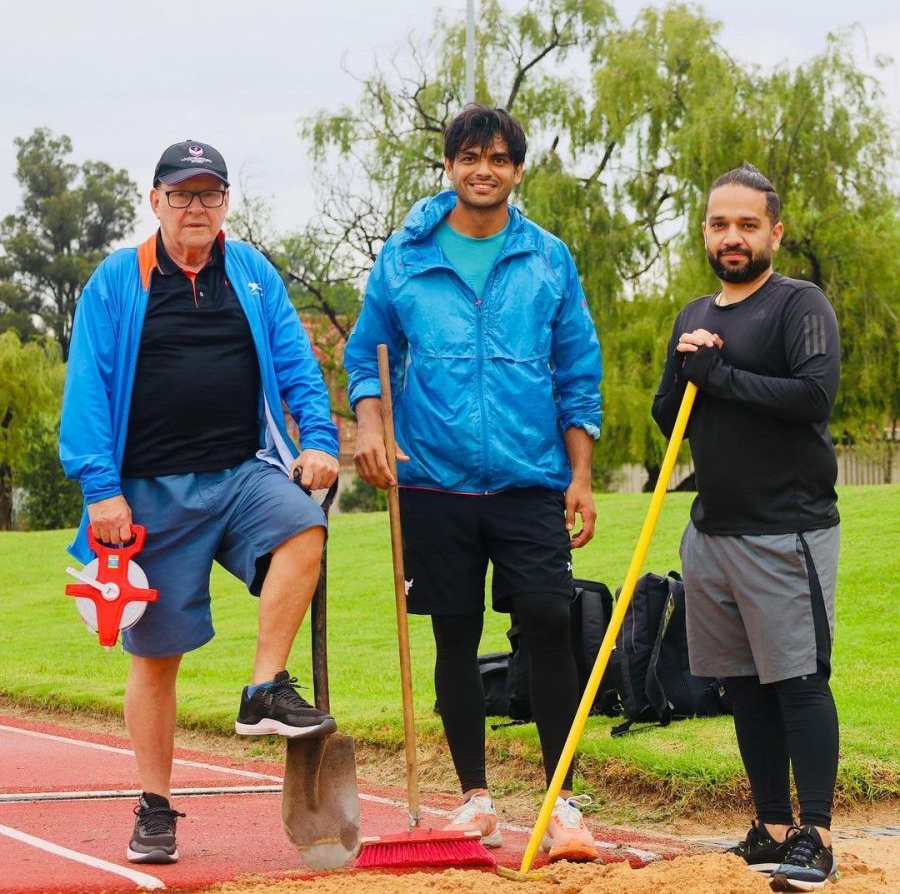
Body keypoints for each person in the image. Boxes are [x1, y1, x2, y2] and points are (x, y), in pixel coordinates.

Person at [59, 140, 340, 865]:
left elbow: (294, 364)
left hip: (239, 473)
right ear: (154, 202)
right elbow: (87, 388)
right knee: (157, 659)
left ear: (225, 205)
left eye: (210, 195)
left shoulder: (249, 274)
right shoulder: (117, 282)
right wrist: (102, 490)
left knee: (303, 529)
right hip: (147, 493)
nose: (196, 209)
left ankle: (263, 689)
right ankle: (154, 807)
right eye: (181, 195)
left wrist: (318, 439)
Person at [344, 106, 603, 863]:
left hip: (530, 482)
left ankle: (562, 808)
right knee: (454, 635)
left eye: (497, 158)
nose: (482, 169)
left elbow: (578, 375)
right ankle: (476, 800)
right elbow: (369, 354)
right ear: (450, 166)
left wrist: (581, 475)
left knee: (551, 628)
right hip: (436, 482)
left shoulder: (550, 259)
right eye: (468, 156)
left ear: (518, 171)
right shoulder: (405, 255)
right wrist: (369, 423)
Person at [652, 164, 841, 892]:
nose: (732, 237)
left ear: (775, 233)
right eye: (718, 224)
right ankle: (767, 827)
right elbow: (673, 420)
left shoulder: (800, 305)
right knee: (743, 683)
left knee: (797, 679)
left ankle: (815, 836)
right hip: (712, 532)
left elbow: (811, 397)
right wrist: (682, 374)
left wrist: (721, 376)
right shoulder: (696, 312)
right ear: (705, 230)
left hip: (785, 529)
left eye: (747, 225)